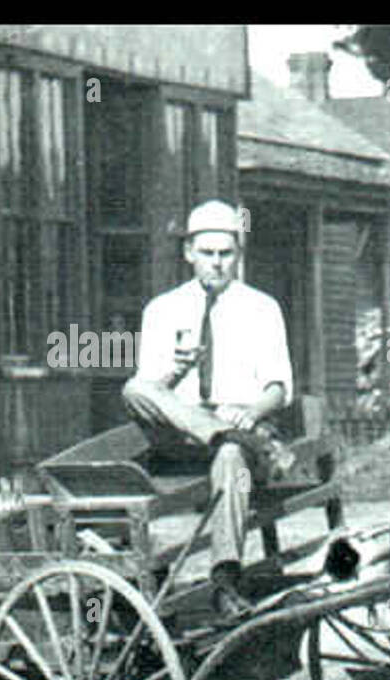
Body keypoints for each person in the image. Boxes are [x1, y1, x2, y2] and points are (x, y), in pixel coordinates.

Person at [123, 200, 296, 618]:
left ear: (237, 254)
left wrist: (252, 413)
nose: (217, 264)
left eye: (226, 254)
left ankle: (225, 580)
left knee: (232, 456)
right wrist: (175, 369)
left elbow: (280, 388)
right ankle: (220, 434)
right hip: (179, 432)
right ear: (189, 253)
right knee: (134, 387)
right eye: (207, 254)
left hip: (238, 427)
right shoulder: (162, 310)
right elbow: (149, 392)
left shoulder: (261, 308)